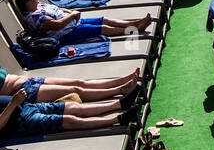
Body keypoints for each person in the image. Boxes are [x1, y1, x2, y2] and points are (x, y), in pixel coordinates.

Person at [0, 86, 140, 140]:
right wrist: (13, 103)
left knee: (73, 107)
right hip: (22, 122)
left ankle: (119, 104)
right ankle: (117, 119)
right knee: (69, 120)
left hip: (26, 106)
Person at [13, 0, 154, 41]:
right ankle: (135, 30)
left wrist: (69, 12)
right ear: (26, 3)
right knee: (103, 28)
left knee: (104, 19)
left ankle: (136, 23)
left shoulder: (40, 6)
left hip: (72, 23)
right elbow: (56, 25)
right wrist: (73, 14)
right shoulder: (33, 17)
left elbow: (57, 8)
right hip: (66, 33)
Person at [0, 65, 139, 104]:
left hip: (29, 80)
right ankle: (120, 90)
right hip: (22, 91)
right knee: (76, 89)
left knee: (79, 82)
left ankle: (121, 81)